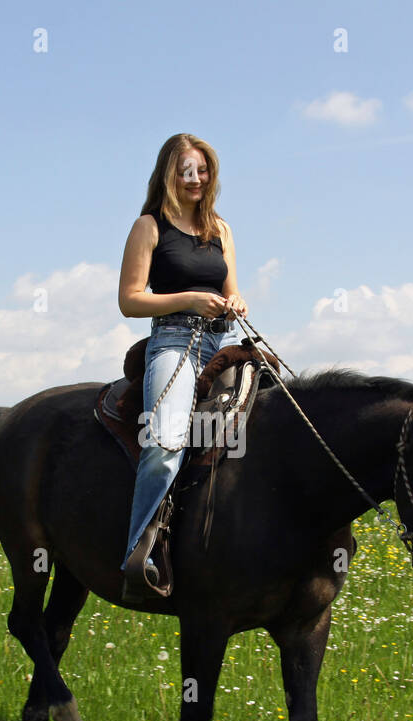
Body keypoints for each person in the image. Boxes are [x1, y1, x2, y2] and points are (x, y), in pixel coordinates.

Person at [116, 133, 249, 599]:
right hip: (174, 341)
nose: (196, 178)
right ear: (169, 175)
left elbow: (234, 288)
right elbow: (129, 301)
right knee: (166, 441)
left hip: (225, 340)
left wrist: (235, 302)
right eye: (185, 170)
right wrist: (189, 298)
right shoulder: (149, 226)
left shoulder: (221, 229)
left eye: (203, 169)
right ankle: (140, 555)